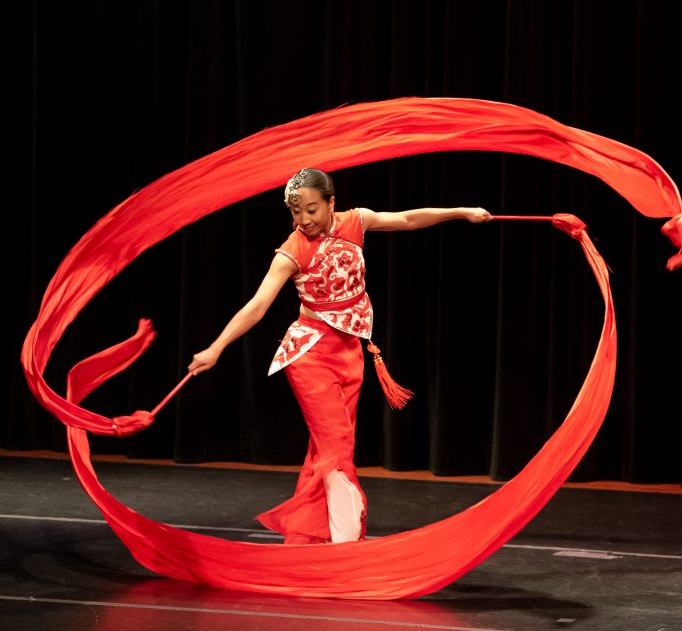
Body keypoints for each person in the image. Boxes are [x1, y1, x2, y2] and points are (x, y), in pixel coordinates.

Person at [188, 168, 491, 545]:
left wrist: (462, 211)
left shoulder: (356, 223)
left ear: (332, 203)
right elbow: (258, 305)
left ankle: (311, 539)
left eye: (312, 209)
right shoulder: (292, 250)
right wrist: (216, 347)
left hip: (350, 354)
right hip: (310, 355)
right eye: (297, 213)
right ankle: (346, 545)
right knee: (336, 446)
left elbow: (409, 219)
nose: (305, 220)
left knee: (327, 448)